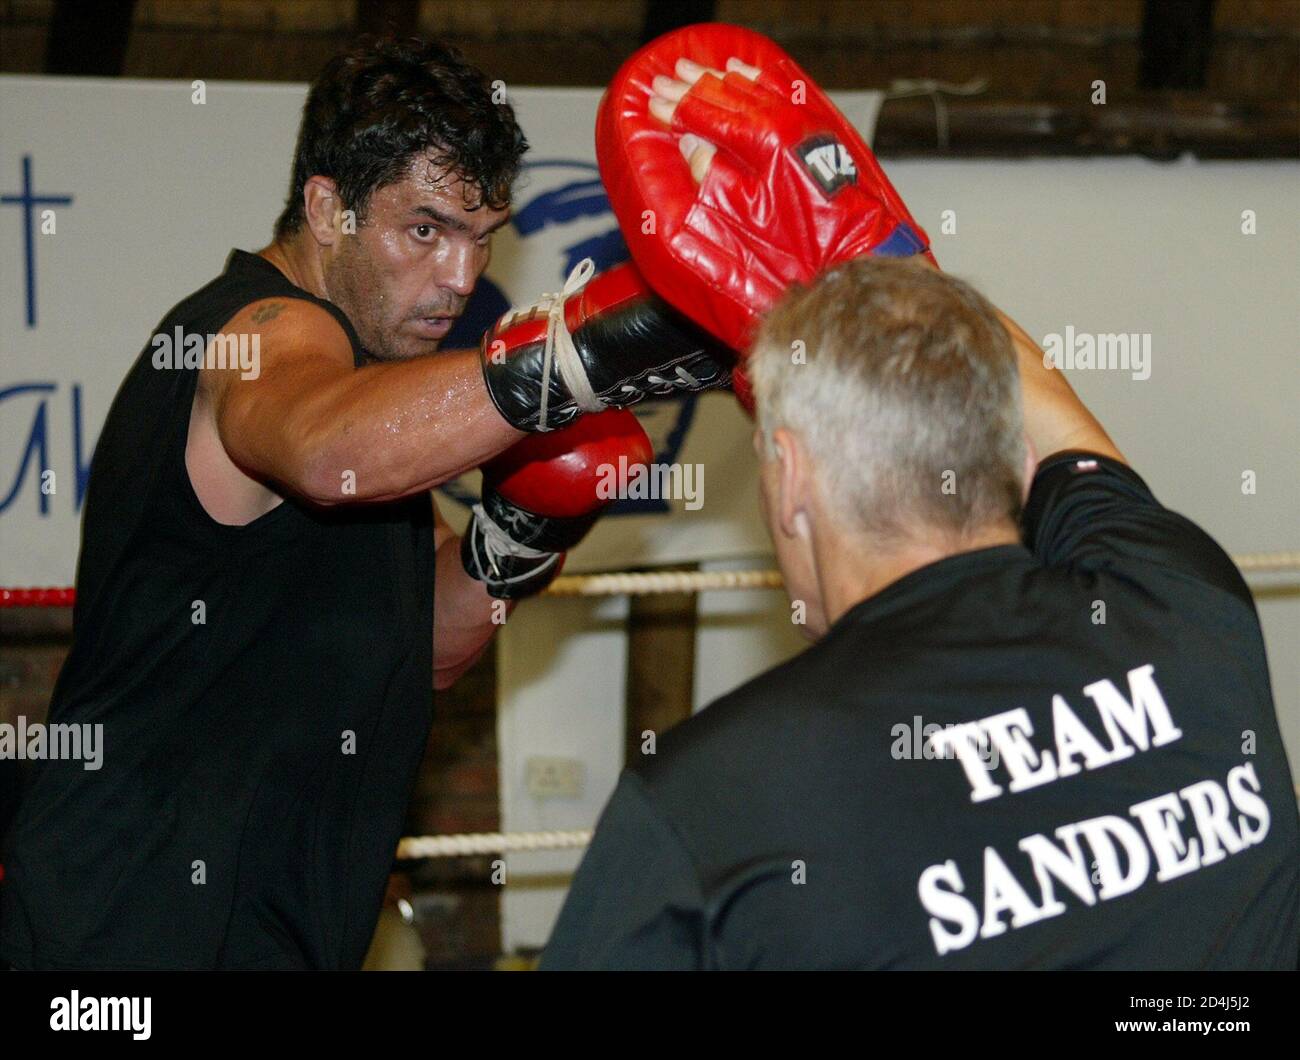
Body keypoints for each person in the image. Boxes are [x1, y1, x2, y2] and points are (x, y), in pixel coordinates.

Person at [540, 44, 1299, 969]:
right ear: (1007, 453)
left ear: (788, 478)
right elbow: (1065, 432)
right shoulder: (1189, 606)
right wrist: (879, 257)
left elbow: (1049, 426)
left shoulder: (709, 813)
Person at [0, 35, 727, 971]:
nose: (461, 281)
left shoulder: (378, 394)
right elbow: (320, 446)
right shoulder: (256, 332)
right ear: (325, 208)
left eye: (482, 238)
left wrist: (519, 532)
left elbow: (426, 648)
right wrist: (583, 355)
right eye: (423, 230)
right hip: (121, 934)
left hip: (277, 933)